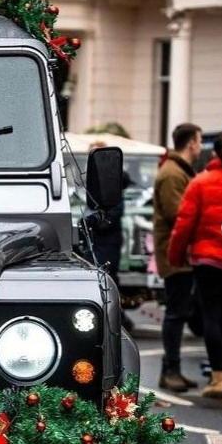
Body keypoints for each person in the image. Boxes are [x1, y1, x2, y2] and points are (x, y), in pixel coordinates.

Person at [168, 131, 222, 399]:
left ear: (216, 153)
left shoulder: (200, 183)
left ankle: (218, 379)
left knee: (212, 317)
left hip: (208, 261)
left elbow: (184, 225)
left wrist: (175, 256)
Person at [152, 123, 203, 392]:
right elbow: (178, 214)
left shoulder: (178, 171)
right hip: (176, 254)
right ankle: (170, 370)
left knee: (181, 312)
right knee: (175, 314)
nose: (200, 146)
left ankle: (173, 369)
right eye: (199, 140)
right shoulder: (173, 173)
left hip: (181, 253)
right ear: (191, 143)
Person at [84, 141, 134, 330]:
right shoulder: (95, 181)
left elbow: (110, 216)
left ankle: (118, 319)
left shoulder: (112, 183)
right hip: (98, 240)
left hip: (106, 241)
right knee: (103, 278)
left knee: (105, 278)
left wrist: (93, 221)